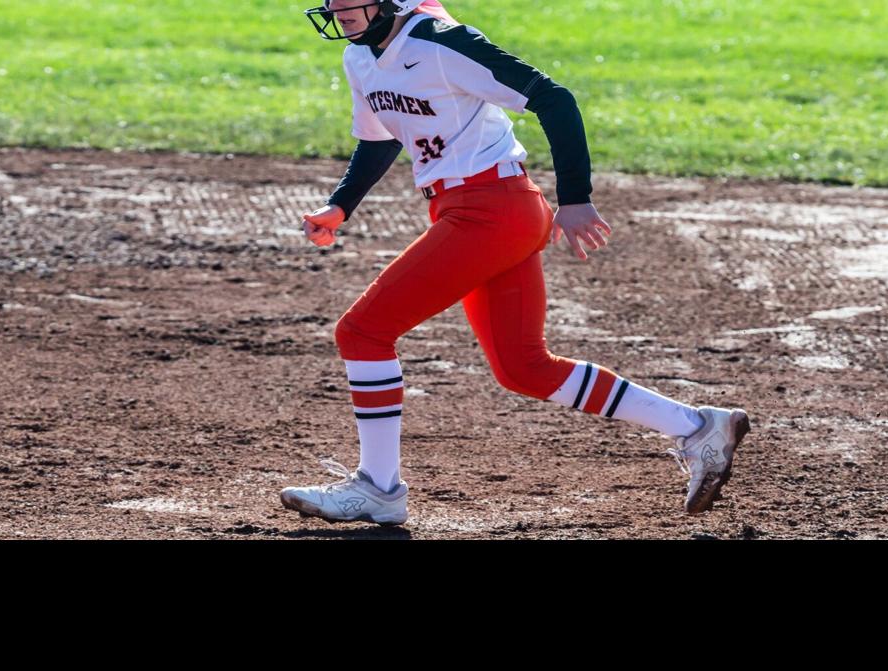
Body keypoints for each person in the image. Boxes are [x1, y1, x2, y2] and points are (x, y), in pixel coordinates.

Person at [280, 0, 749, 526]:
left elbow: (554, 98)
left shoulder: (441, 42)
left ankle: (378, 488)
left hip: (492, 210)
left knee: (363, 332)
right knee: (524, 368)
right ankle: (697, 427)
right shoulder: (361, 58)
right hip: (474, 211)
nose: (338, 6)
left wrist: (575, 197)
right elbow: (379, 138)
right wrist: (341, 205)